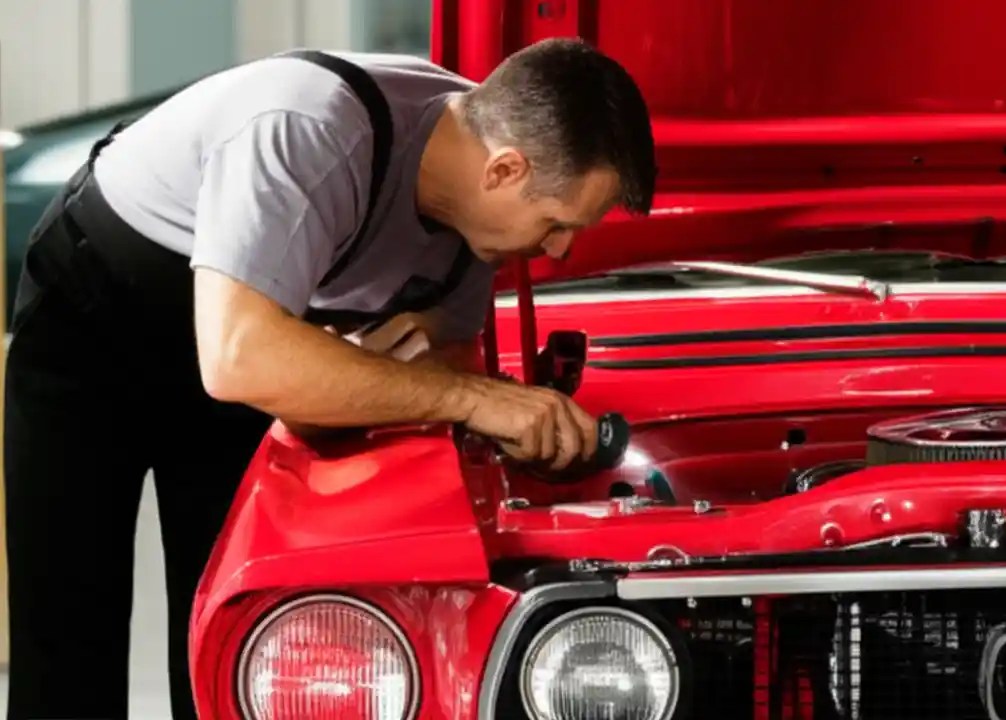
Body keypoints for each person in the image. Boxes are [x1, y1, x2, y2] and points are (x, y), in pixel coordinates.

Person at [3, 37, 656, 720]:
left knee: (224, 644)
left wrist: (512, 428)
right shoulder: (311, 129)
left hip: (256, 339)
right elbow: (237, 357)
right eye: (555, 224)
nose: (559, 250)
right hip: (99, 308)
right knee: (69, 645)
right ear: (503, 170)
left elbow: (437, 368)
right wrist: (479, 400)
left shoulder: (475, 220)